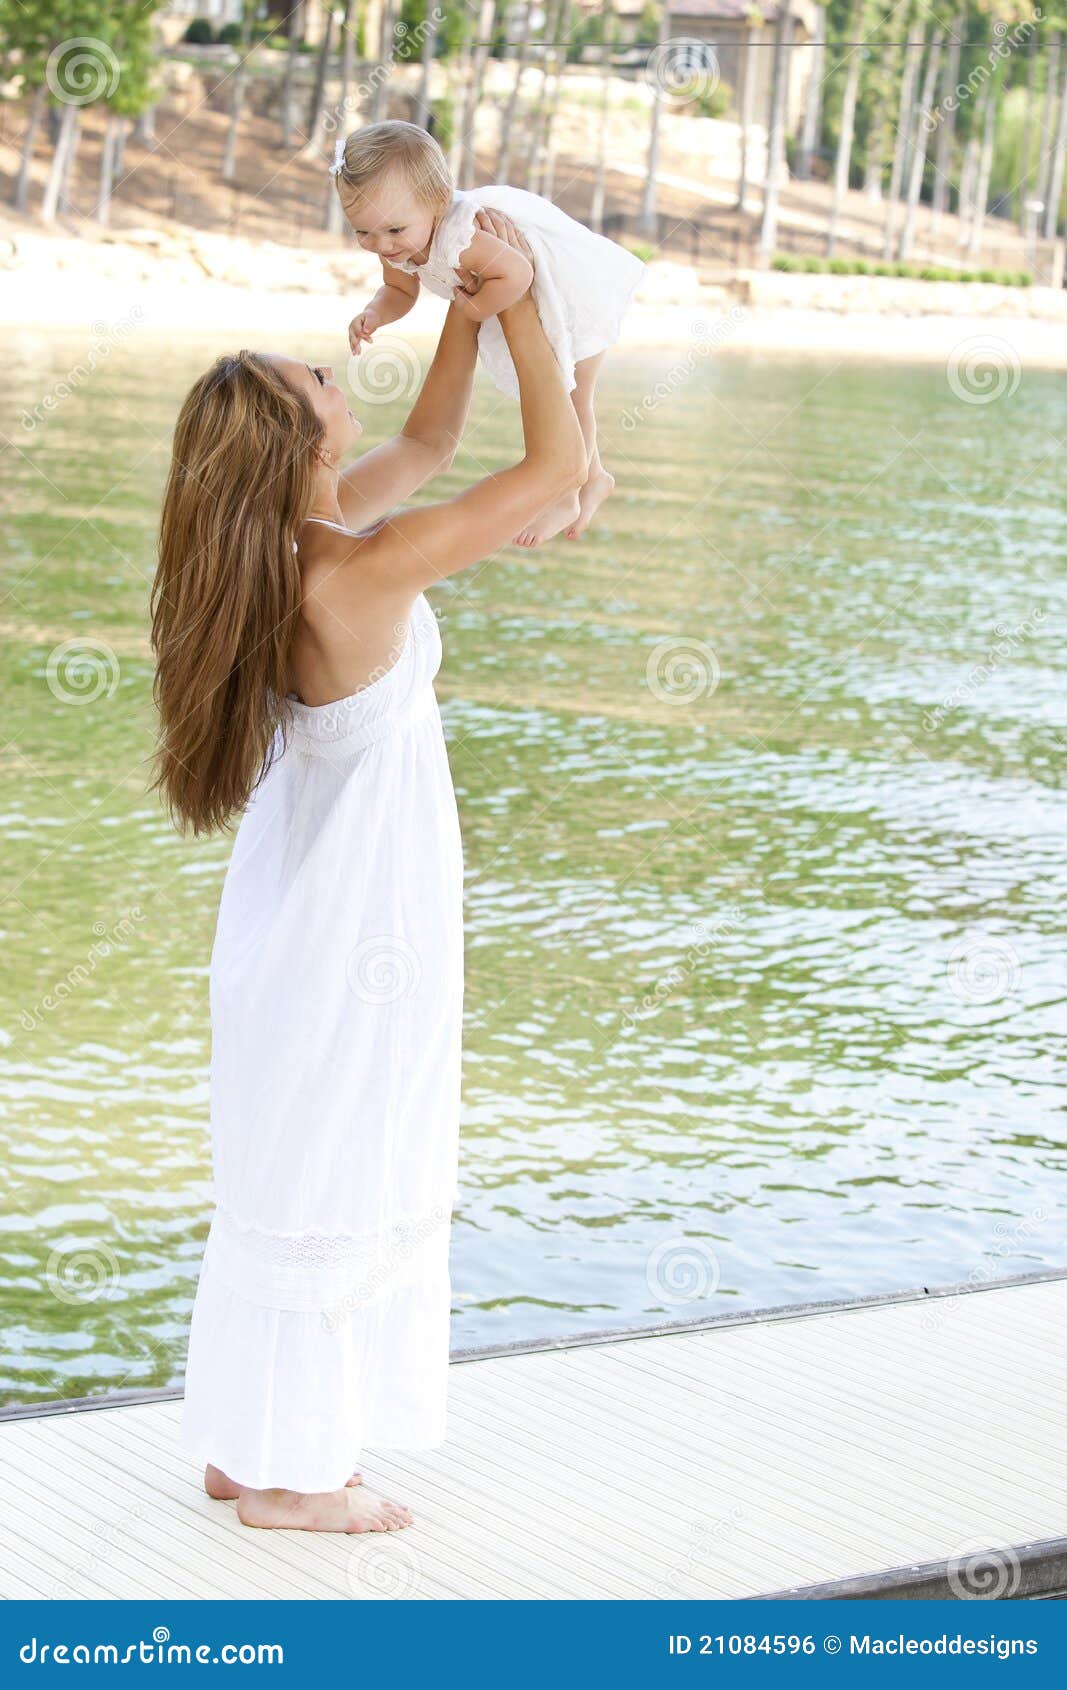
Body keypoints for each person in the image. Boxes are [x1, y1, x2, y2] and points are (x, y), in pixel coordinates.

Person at [151, 212, 586, 1534]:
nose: (338, 375)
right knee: (340, 1162)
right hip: (356, 919)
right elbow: (554, 466)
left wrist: (461, 302)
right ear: (304, 446)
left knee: (289, 1165)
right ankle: (292, 1482)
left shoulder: (283, 548)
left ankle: (246, 1442)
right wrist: (522, 305)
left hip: (296, 906)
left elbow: (437, 443)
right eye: (319, 381)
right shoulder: (358, 567)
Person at [332, 120, 644, 548]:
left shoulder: (461, 237)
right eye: (362, 232)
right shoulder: (398, 238)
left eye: (393, 231)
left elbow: (518, 273)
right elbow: (399, 290)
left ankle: (568, 495)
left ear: (439, 201)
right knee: (569, 395)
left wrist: (474, 308)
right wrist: (375, 314)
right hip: (512, 286)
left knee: (572, 395)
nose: (382, 245)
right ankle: (594, 478)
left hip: (569, 290)